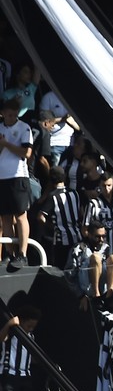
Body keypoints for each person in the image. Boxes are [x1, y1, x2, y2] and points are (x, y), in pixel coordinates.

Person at [0, 98, 33, 272]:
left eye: (14, 114)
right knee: (5, 217)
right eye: (9, 114)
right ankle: (8, 253)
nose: (11, 117)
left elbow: (26, 152)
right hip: (1, 177)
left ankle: (22, 253)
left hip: (17, 176)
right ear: (3, 113)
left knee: (20, 215)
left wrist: (6, 144)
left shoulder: (24, 128)